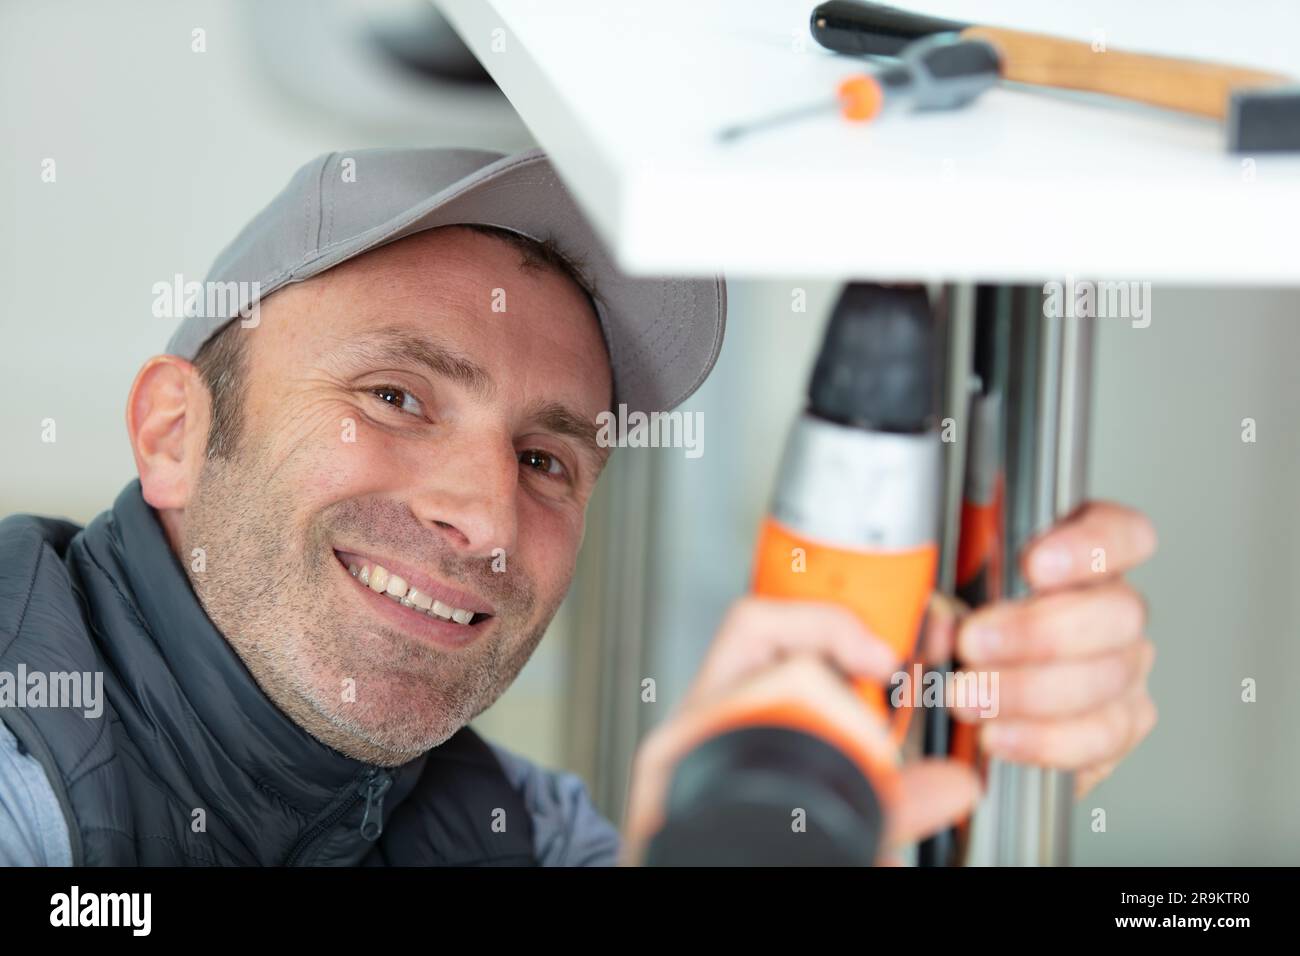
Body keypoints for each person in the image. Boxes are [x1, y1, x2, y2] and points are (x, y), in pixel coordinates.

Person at [0, 147, 1157, 866]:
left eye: (548, 458)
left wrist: (921, 783)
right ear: (174, 431)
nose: (486, 517)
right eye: (396, 395)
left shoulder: (520, 830)